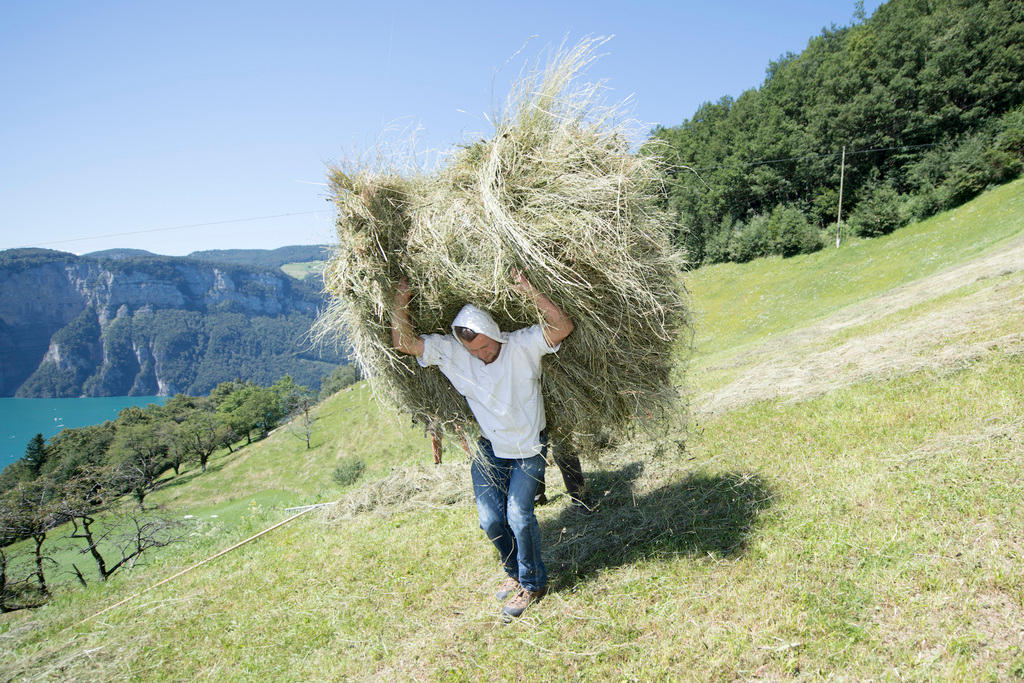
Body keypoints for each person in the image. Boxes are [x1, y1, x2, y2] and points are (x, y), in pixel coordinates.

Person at [391, 269, 574, 618]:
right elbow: (404, 342)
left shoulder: (522, 345)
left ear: (494, 334)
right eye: (473, 351)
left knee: (519, 516)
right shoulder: (452, 353)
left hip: (527, 448)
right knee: (491, 520)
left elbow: (562, 327)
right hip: (491, 448)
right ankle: (513, 573)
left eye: (485, 347)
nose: (481, 355)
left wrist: (529, 290)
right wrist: (401, 300)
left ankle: (533, 584)